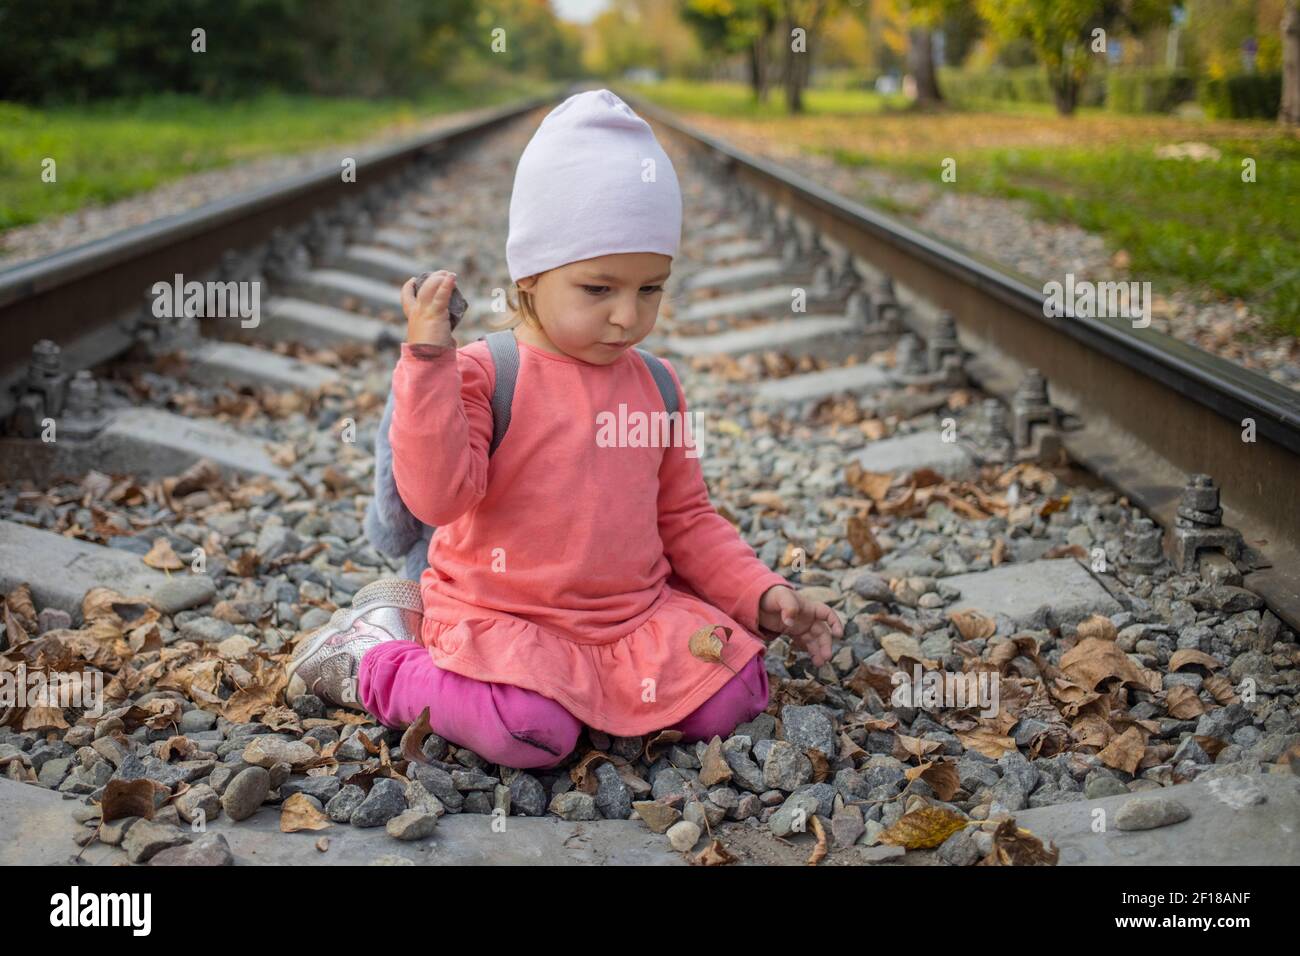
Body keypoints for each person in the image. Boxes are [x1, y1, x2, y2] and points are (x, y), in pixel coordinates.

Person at [288, 90, 841, 769]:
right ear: (531, 274)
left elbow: (689, 519)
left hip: (627, 620)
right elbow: (434, 501)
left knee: (736, 694)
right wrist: (427, 365)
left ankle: (607, 695)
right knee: (530, 732)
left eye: (650, 289)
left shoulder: (659, 385)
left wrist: (761, 592)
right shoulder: (489, 373)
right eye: (598, 289)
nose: (626, 318)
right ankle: (373, 662)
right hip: (507, 620)